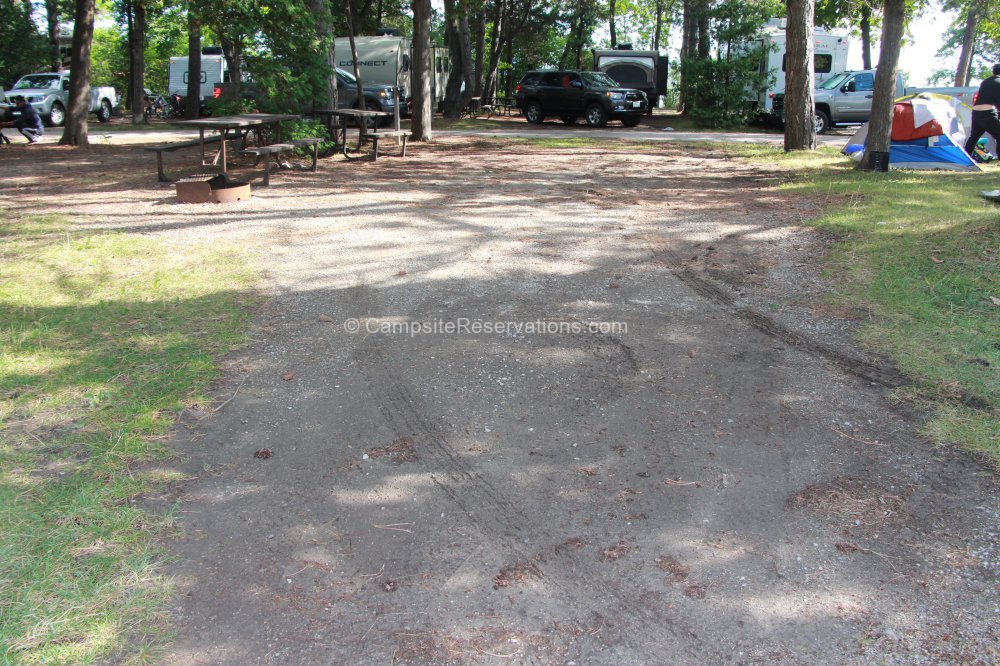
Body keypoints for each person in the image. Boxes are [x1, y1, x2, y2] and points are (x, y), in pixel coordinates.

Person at [964, 64, 1000, 156]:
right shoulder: (998, 82)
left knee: (973, 137)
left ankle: (965, 159)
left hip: (976, 113)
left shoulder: (985, 81)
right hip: (987, 113)